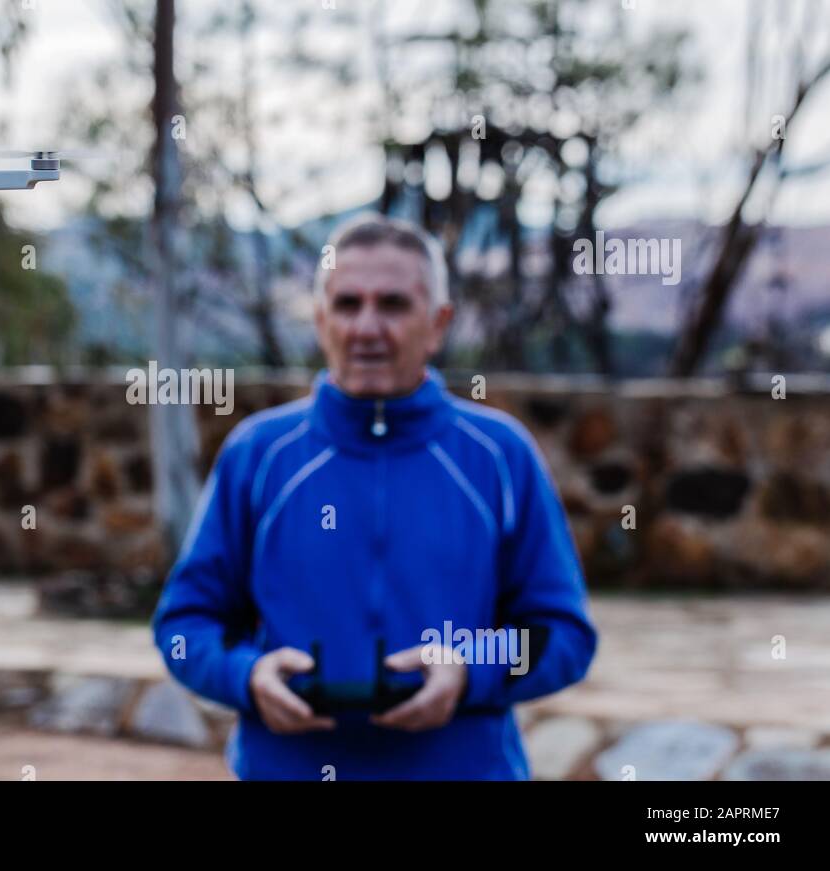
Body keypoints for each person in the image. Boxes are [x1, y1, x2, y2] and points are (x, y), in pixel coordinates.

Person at [151, 213, 598, 780]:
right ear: (319, 320)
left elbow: (562, 634)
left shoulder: (499, 456)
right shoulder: (258, 455)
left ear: (437, 323)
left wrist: (469, 670)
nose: (367, 327)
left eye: (392, 305)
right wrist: (246, 676)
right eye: (346, 304)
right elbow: (186, 625)